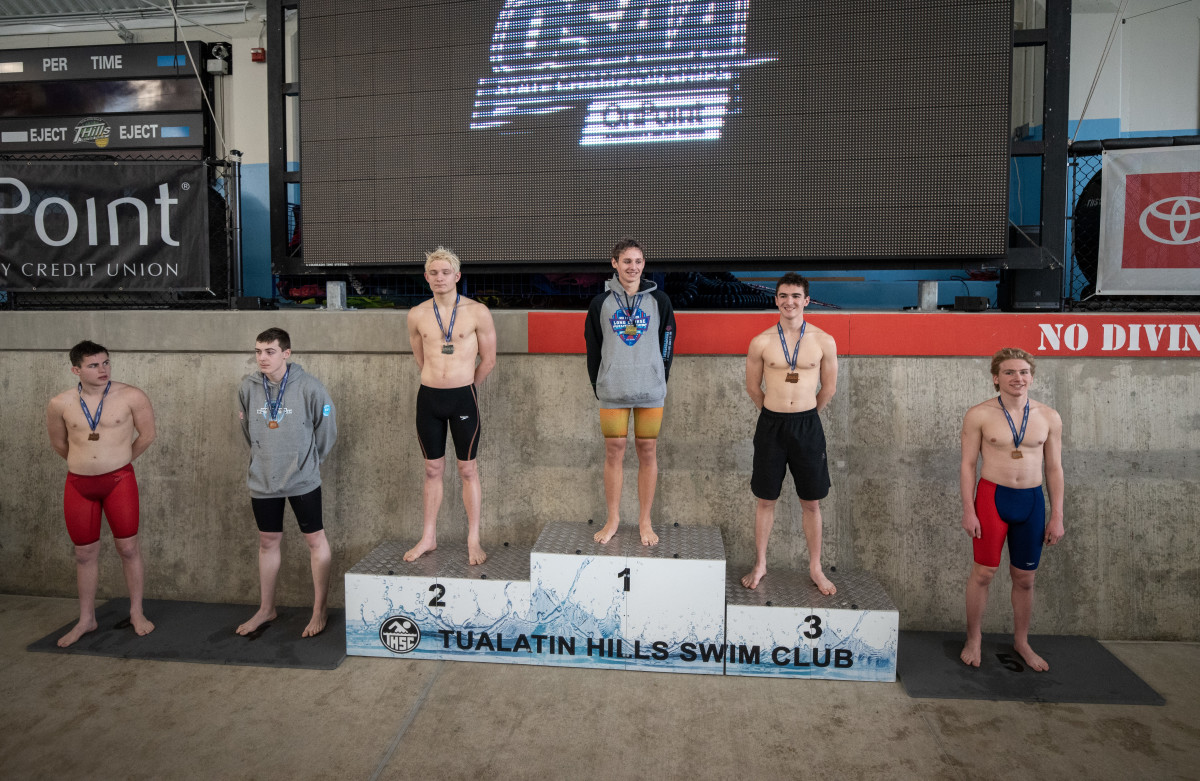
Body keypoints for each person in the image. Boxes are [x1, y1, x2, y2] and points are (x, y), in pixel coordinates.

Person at [45, 341, 157, 647]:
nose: (103, 369)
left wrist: (117, 462)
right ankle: (86, 619)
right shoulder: (60, 403)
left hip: (119, 481)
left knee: (129, 548)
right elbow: (59, 444)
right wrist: (86, 464)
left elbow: (147, 435)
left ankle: (136, 611)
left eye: (106, 363)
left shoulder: (131, 396)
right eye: (93, 365)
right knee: (84, 554)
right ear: (76, 370)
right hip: (79, 484)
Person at [960, 347, 1064, 672]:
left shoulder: (1049, 416)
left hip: (1031, 502)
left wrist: (1057, 515)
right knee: (984, 573)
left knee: (1025, 578)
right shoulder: (979, 414)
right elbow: (967, 465)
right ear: (996, 378)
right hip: (992, 499)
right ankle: (973, 638)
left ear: (1031, 377)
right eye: (1009, 372)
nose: (1017, 378)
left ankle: (1021, 641)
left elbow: (1055, 469)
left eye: (1023, 372)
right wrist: (968, 509)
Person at [236, 328, 337, 638]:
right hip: (263, 480)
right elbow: (247, 431)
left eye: (269, 351)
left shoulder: (310, 387)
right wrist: (262, 460)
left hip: (303, 480)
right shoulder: (247, 388)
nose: (262, 358)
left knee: (315, 540)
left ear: (286, 353)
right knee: (268, 542)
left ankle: (319, 609)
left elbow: (327, 426)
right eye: (258, 352)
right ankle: (267, 608)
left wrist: (309, 462)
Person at [741, 273, 837, 594]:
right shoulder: (761, 341)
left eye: (796, 296)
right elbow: (753, 388)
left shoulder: (824, 340)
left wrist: (805, 416)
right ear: (776, 299)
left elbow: (829, 388)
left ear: (806, 301)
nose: (789, 302)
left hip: (807, 425)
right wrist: (775, 413)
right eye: (783, 295)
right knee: (765, 499)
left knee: (811, 502)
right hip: (771, 425)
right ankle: (761, 563)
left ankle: (815, 567)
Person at [405, 246, 497, 565]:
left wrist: (467, 388)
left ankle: (474, 539)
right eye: (434, 272)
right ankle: (428, 537)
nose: (440, 277)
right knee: (432, 469)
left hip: (462, 398)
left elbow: (489, 359)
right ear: (426, 277)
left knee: (467, 468)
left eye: (446, 272)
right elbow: (421, 358)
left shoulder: (477, 312)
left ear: (457, 276)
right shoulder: (417, 314)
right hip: (429, 398)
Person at [585, 239, 676, 546]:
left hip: (650, 391)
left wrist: (659, 375)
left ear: (643, 264)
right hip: (613, 391)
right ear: (614, 263)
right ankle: (613, 519)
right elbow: (593, 347)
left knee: (647, 452)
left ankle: (645, 521)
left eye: (638, 261)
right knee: (614, 452)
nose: (633, 267)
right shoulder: (601, 303)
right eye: (626, 261)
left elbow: (668, 340)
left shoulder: (659, 300)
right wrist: (599, 383)